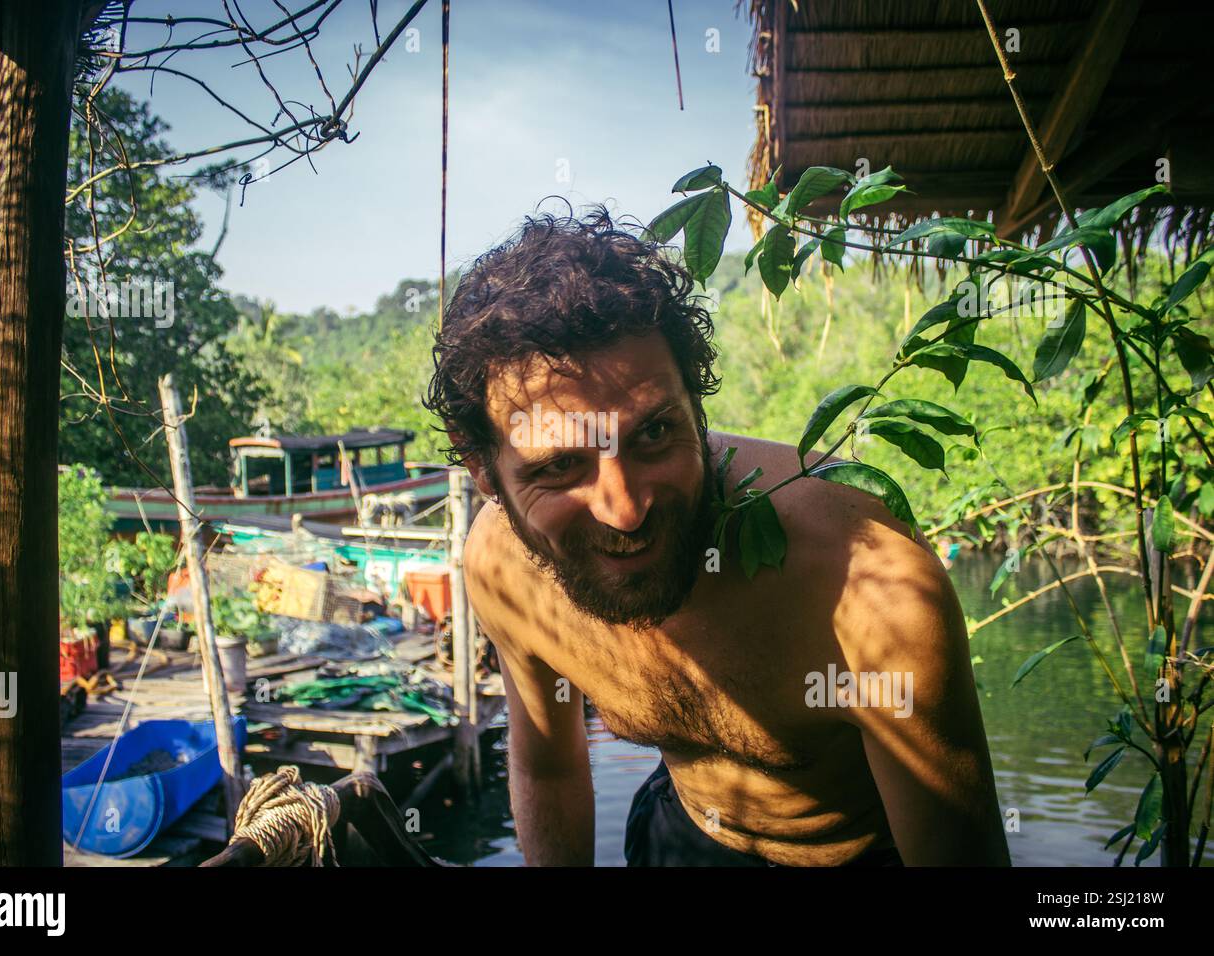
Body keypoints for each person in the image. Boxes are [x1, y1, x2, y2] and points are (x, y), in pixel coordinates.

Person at [423, 205, 1010, 867]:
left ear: (698, 411)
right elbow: (550, 772)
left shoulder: (864, 587)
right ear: (484, 473)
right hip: (680, 836)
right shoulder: (502, 567)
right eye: (560, 466)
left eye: (653, 434)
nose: (625, 511)